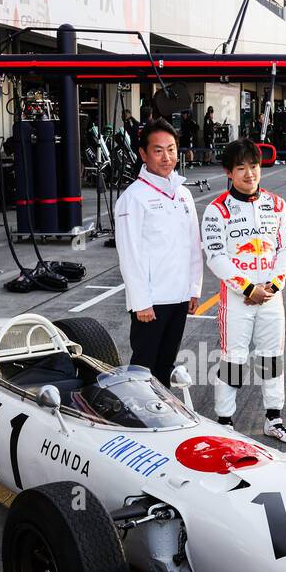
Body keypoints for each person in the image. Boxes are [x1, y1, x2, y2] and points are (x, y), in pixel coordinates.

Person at [201, 138, 286, 443]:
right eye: (240, 167)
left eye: (253, 166)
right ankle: (225, 423)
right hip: (237, 299)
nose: (249, 173)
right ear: (228, 172)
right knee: (234, 359)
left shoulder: (278, 204)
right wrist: (246, 287)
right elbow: (216, 257)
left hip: (271, 296)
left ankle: (273, 418)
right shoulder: (217, 210)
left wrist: (274, 283)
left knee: (272, 358)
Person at [113, 118, 203, 387]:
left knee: (166, 363)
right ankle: (134, 418)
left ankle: (162, 416)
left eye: (172, 149)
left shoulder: (183, 194)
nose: (167, 157)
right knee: (143, 366)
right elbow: (129, 254)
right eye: (158, 150)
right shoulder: (133, 197)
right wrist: (141, 301)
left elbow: (192, 245)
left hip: (179, 295)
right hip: (151, 301)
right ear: (143, 154)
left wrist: (194, 288)